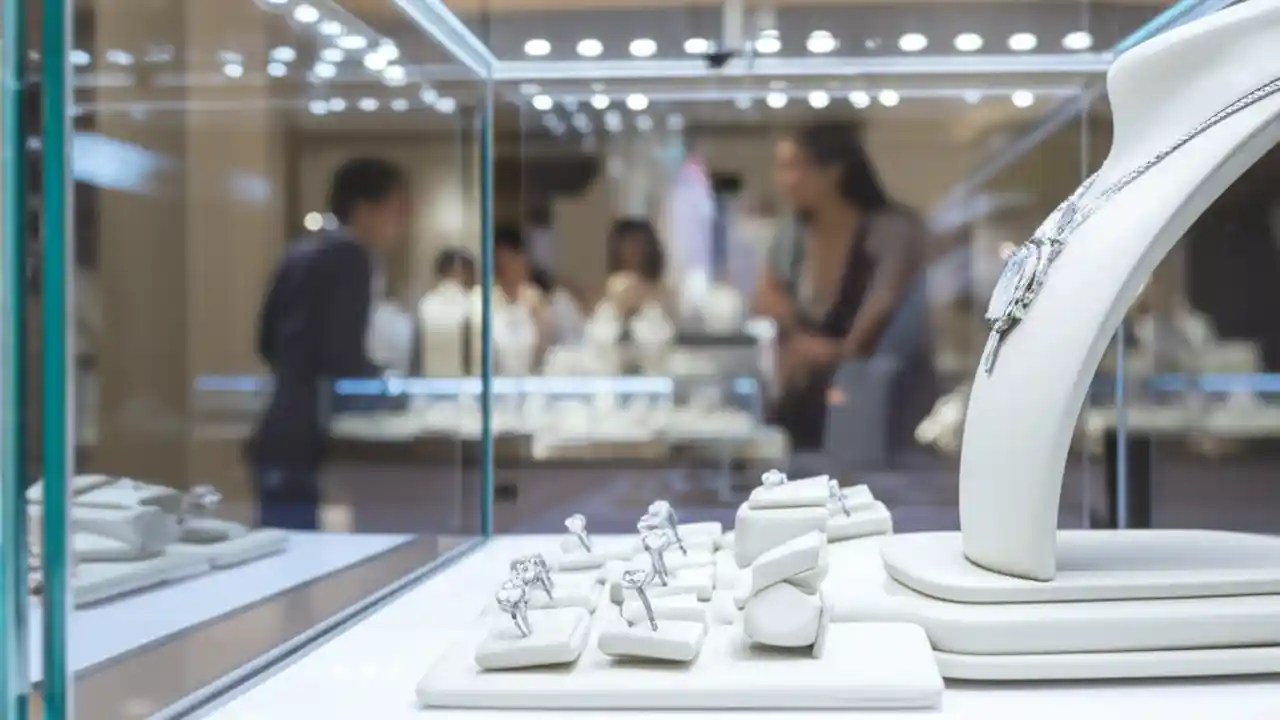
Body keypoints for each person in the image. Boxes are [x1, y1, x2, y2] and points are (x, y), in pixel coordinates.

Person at [249, 158, 409, 529]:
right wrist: (389, 390)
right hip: (309, 425)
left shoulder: (300, 252)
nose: (399, 224)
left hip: (279, 419)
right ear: (366, 209)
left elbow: (266, 340)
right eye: (395, 209)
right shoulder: (351, 258)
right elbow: (343, 357)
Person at [754, 123, 926, 450]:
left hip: (874, 402)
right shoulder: (793, 233)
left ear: (832, 172)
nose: (783, 180)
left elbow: (881, 311)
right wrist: (797, 337)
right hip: (805, 400)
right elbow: (765, 296)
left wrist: (831, 352)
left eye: (793, 166)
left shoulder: (891, 231)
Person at [603, 218, 673, 319]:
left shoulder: (663, 292)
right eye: (628, 243)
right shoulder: (612, 287)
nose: (633, 250)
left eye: (638, 242)